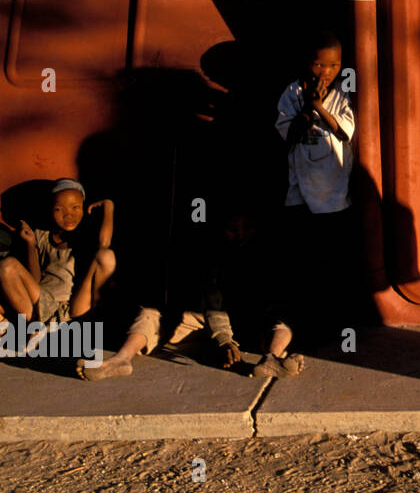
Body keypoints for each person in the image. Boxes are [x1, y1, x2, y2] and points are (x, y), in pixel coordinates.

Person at [77, 208, 305, 381]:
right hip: (203, 323)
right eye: (232, 229)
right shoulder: (212, 255)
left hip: (247, 325)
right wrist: (224, 340)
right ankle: (121, 359)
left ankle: (272, 358)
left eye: (246, 228)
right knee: (150, 315)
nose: (240, 235)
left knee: (282, 323)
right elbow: (212, 303)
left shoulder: (265, 254)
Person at [274, 30, 356, 344]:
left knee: (331, 263)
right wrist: (307, 107)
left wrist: (320, 107)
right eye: (319, 64)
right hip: (298, 193)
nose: (325, 72)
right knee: (302, 262)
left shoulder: (343, 92)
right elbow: (287, 136)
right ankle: (303, 326)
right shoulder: (292, 92)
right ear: (307, 63)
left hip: (334, 194)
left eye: (333, 66)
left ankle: (333, 326)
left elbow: (344, 131)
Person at [0, 179, 115, 337]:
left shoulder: (85, 236)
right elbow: (35, 280)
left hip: (73, 308)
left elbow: (104, 244)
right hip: (41, 304)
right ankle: (37, 329)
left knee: (106, 255)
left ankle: (86, 331)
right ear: (50, 209)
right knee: (7, 265)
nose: (68, 214)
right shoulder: (41, 236)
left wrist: (108, 207)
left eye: (75, 207)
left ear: (83, 208)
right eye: (59, 209)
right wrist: (31, 245)